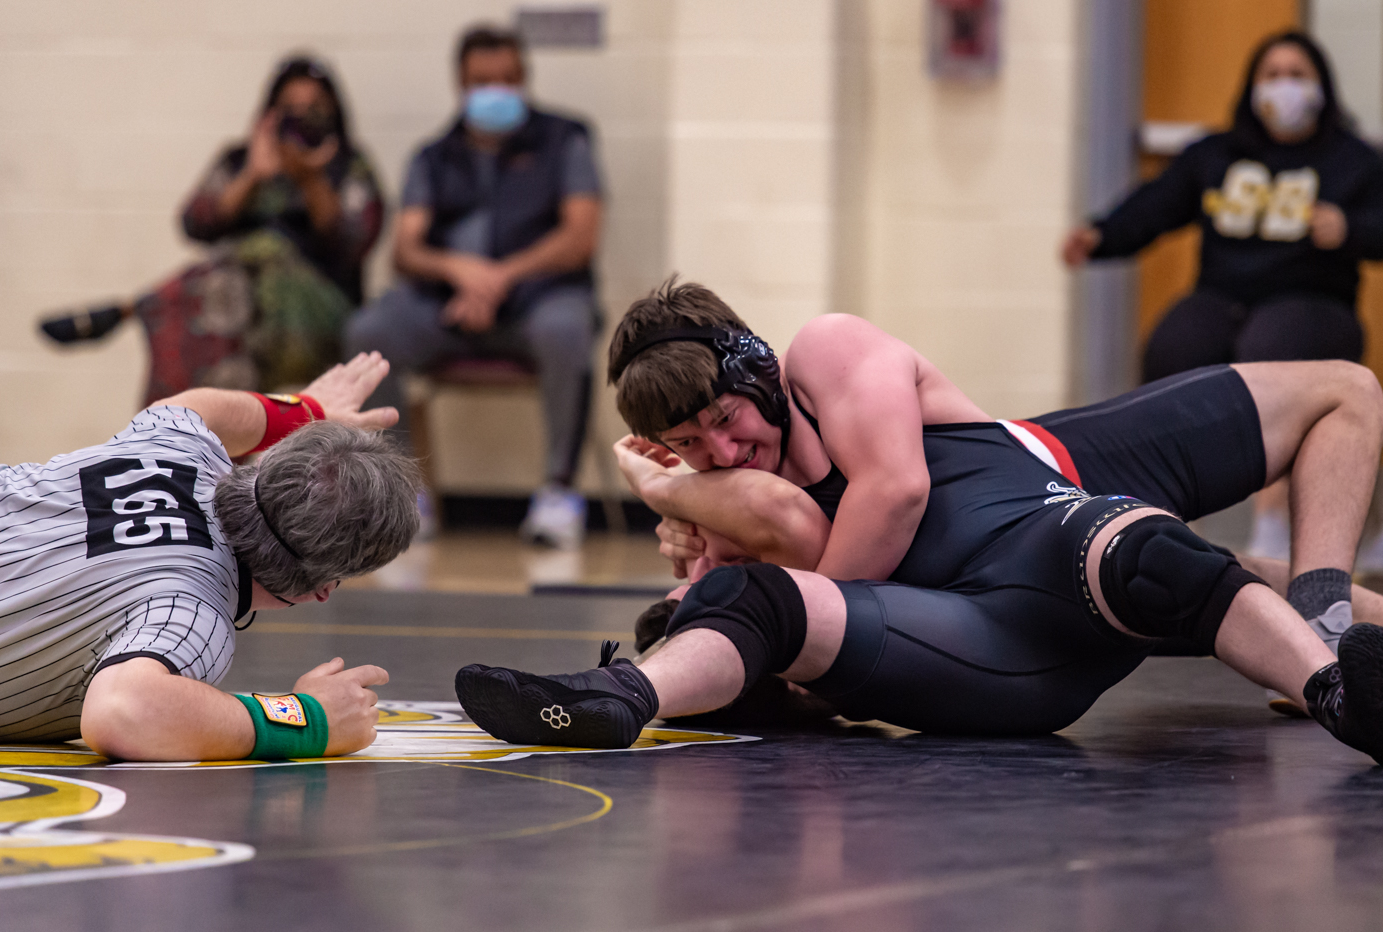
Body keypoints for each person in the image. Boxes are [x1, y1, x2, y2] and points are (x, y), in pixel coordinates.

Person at [454, 280, 1383, 762]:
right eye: (688, 445)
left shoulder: (826, 355)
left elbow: (891, 497)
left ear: (756, 370)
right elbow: (779, 535)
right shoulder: (735, 490)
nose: (722, 452)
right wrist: (694, 511)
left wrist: (669, 492)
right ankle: (619, 699)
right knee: (752, 594)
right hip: (982, 635)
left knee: (1159, 556)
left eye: (725, 421)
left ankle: (1336, 674)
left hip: (1049, 527)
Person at [0, 352, 419, 762]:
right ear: (323, 588)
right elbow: (120, 712)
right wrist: (306, 719)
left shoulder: (173, 448)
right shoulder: (192, 613)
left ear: (271, 459)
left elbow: (194, 404)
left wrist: (303, 408)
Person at [1061, 32, 1383, 565]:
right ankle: (1163, 522)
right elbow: (1157, 204)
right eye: (1272, 75)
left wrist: (1349, 228)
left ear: (1322, 87)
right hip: (1223, 295)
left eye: (1297, 75)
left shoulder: (1353, 160)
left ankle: (1276, 527)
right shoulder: (1216, 154)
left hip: (1312, 301)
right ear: (1253, 88)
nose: (1285, 88)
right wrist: (1101, 235)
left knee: (1275, 350)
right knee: (1173, 345)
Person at [344, 26, 604, 549]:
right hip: (450, 307)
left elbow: (580, 238)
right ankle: (404, 493)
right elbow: (406, 250)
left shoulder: (566, 139)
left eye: (508, 79)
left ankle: (558, 493)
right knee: (369, 332)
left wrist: (499, 278)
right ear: (459, 84)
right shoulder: (433, 156)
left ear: (524, 78)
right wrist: (460, 272)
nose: (496, 91)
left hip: (541, 300)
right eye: (483, 81)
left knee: (566, 330)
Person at [40, 56, 385, 406]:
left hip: (314, 301)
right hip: (233, 292)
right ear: (269, 115)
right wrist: (251, 174)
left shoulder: (350, 167)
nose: (301, 119)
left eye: (314, 109)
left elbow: (352, 244)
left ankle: (132, 311)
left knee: (247, 269)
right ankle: (168, 434)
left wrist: (311, 179)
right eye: (290, 109)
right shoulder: (240, 160)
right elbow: (194, 223)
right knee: (209, 302)